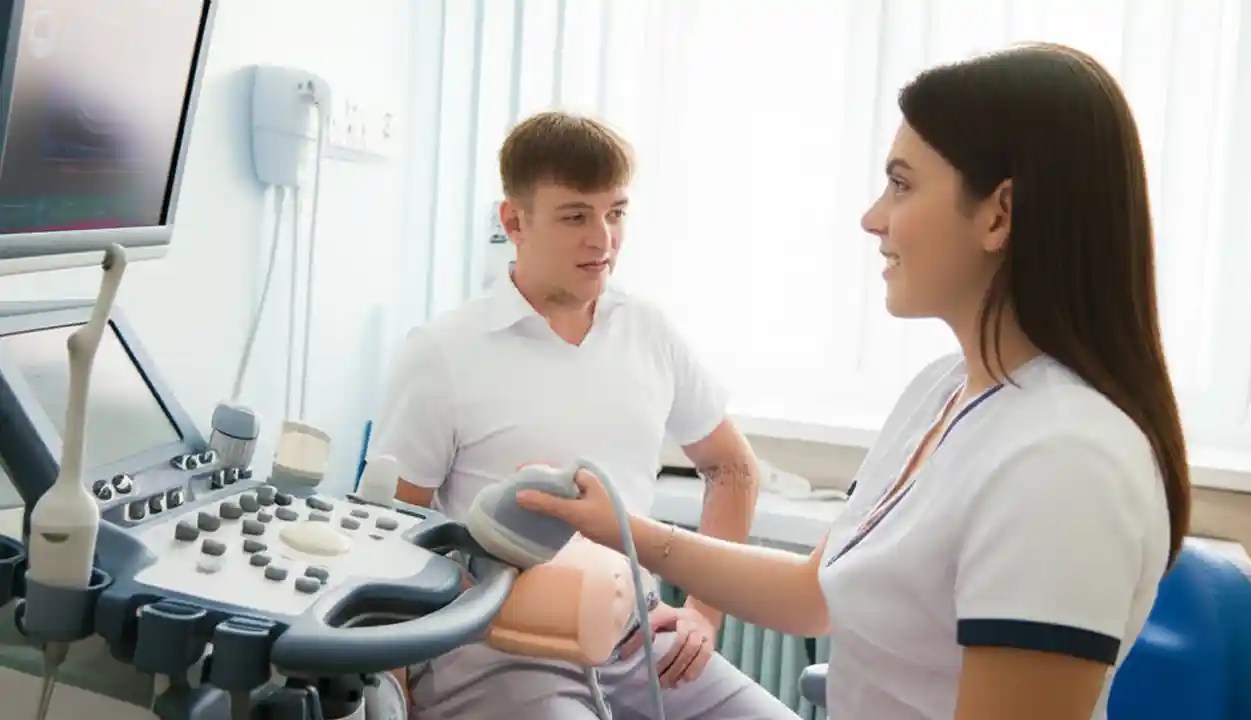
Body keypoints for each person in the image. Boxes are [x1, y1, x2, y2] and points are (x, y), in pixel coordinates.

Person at [518, 42, 1191, 720]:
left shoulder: (1065, 462)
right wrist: (622, 528)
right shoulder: (945, 391)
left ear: (999, 214)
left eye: (901, 184)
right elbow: (817, 592)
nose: (874, 218)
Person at [369, 111, 798, 719]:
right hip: (498, 653)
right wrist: (394, 690)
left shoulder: (648, 332)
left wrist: (703, 611)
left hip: (639, 638)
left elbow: (733, 469)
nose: (603, 239)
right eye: (575, 216)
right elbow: (389, 532)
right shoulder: (444, 351)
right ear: (514, 222)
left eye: (616, 213)